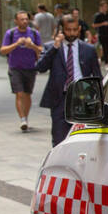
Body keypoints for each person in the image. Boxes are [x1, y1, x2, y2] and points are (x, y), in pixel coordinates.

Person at [37, 15, 101, 146]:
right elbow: (40, 67)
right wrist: (55, 47)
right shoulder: (51, 47)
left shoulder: (88, 50)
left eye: (74, 30)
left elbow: (98, 76)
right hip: (60, 98)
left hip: (82, 98)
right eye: (68, 30)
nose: (71, 33)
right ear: (61, 30)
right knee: (59, 137)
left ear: (79, 29)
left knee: (83, 137)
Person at [2, 10, 44, 132]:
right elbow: (3, 50)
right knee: (19, 93)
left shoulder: (34, 33)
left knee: (27, 94)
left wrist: (32, 46)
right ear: (16, 21)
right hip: (15, 68)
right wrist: (16, 44)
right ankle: (22, 119)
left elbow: (41, 50)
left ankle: (26, 117)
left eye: (26, 19)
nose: (25, 21)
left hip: (30, 67)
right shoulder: (10, 33)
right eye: (22, 19)